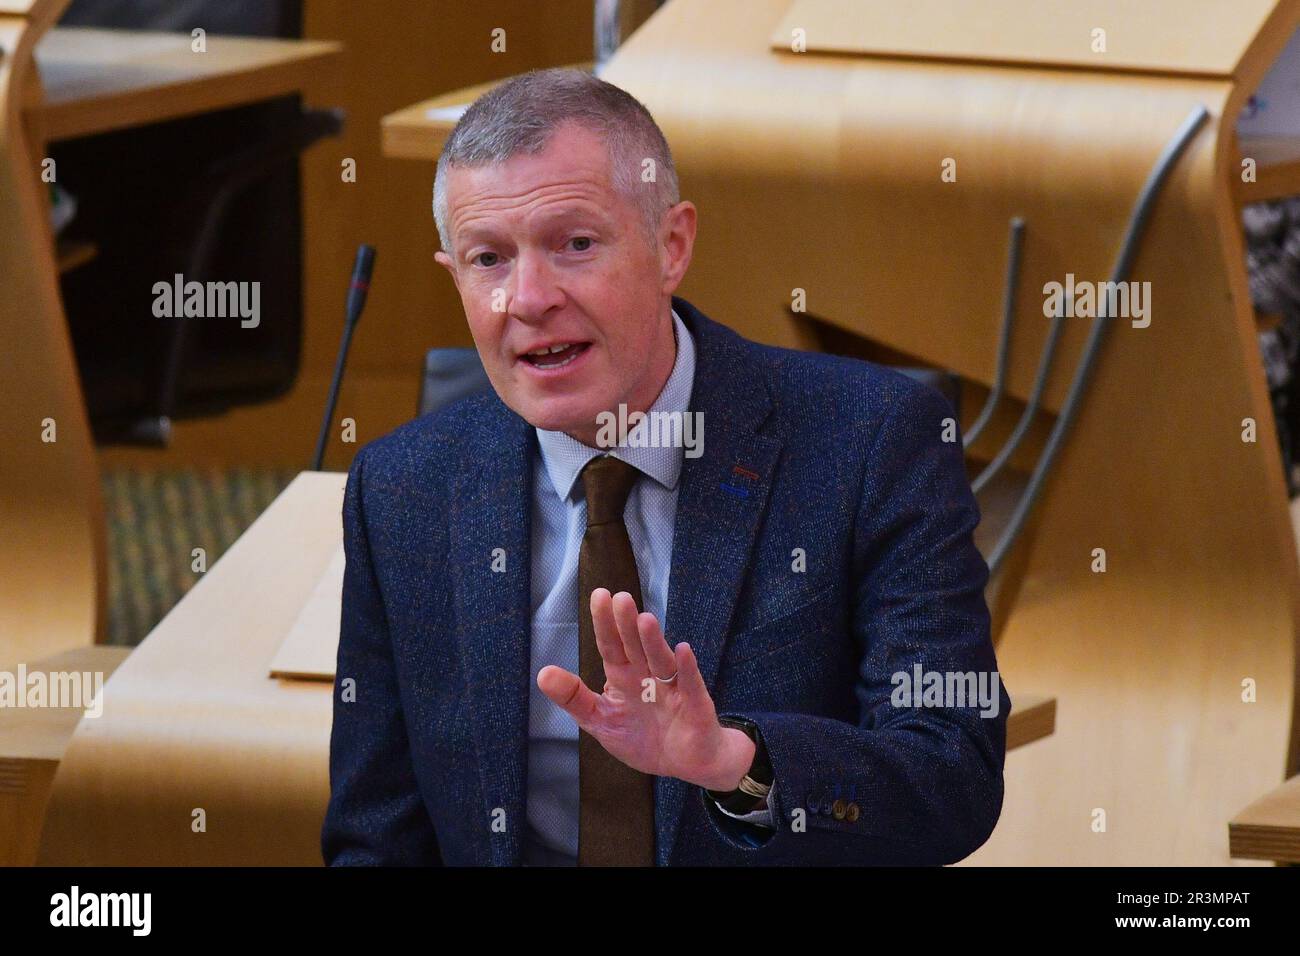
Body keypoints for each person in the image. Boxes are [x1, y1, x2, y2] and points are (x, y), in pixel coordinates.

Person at [322, 67, 1009, 866]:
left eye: (575, 244)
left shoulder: (871, 441)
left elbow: (951, 773)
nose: (528, 298)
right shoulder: (404, 488)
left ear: (671, 245)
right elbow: (375, 838)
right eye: (488, 260)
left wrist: (734, 764)